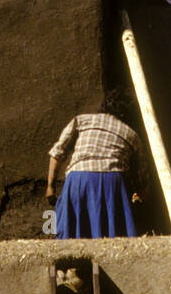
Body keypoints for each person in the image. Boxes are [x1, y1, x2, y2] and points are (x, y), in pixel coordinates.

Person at [46, 88, 145, 238]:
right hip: (113, 183)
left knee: (71, 233)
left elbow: (57, 153)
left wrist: (50, 186)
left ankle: (72, 260)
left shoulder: (81, 120)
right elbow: (142, 176)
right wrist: (137, 196)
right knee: (111, 235)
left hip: (79, 180)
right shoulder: (131, 135)